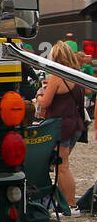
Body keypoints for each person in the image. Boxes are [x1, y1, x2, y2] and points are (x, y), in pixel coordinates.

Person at [34, 41, 87, 213]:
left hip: (62, 125)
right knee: (62, 165)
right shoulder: (77, 75)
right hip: (76, 125)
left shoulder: (57, 76)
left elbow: (46, 102)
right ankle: (66, 202)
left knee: (61, 167)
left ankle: (71, 205)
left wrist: (39, 95)